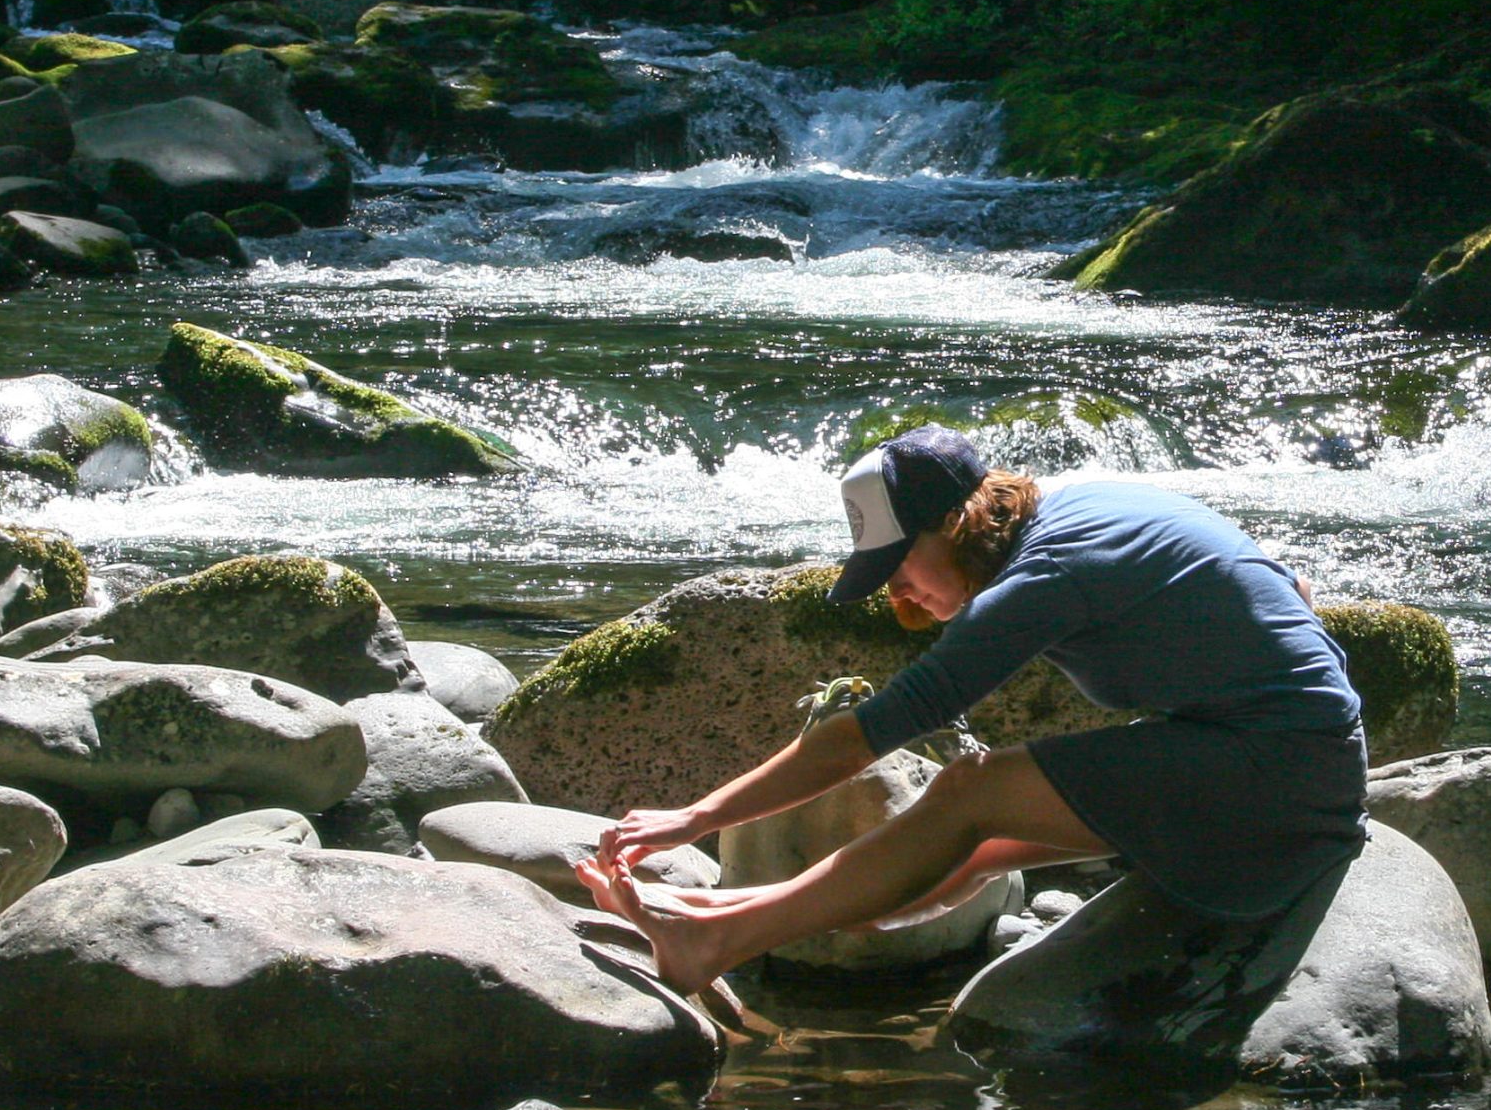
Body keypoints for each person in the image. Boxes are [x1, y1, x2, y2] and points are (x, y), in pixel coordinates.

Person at [575, 425, 1369, 997]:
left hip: (1280, 778)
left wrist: (694, 817)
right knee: (979, 847)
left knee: (969, 792)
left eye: (897, 565)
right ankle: (715, 912)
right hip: (1281, 758)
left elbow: (862, 741)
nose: (895, 593)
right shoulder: (1081, 503)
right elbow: (1290, 586)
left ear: (951, 522)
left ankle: (712, 941)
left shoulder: (1041, 576)